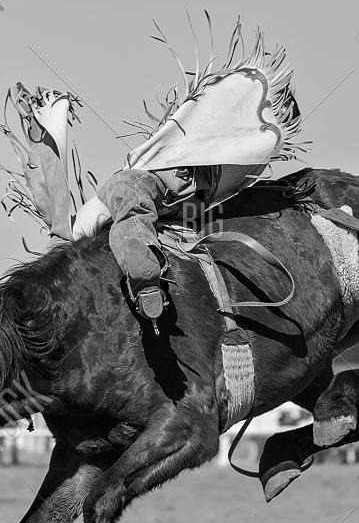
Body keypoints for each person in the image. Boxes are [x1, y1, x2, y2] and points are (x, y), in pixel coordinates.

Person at [71, 38, 301, 324]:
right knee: (134, 206)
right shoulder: (132, 187)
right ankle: (146, 280)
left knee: (140, 205)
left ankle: (150, 278)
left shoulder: (159, 181)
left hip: (175, 201)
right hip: (160, 197)